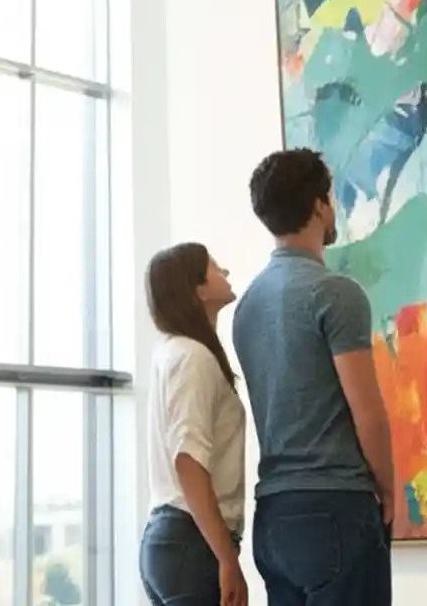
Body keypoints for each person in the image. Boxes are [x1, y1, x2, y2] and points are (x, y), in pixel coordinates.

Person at [232, 148, 394, 605]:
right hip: (336, 505)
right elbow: (368, 413)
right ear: (320, 205)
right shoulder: (335, 294)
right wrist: (387, 491)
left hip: (274, 517)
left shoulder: (247, 306)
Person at [140, 242, 249, 606]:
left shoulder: (172, 353)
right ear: (197, 289)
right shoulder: (194, 357)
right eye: (216, 267)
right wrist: (227, 559)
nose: (226, 273)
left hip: (170, 539)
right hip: (190, 542)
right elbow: (187, 460)